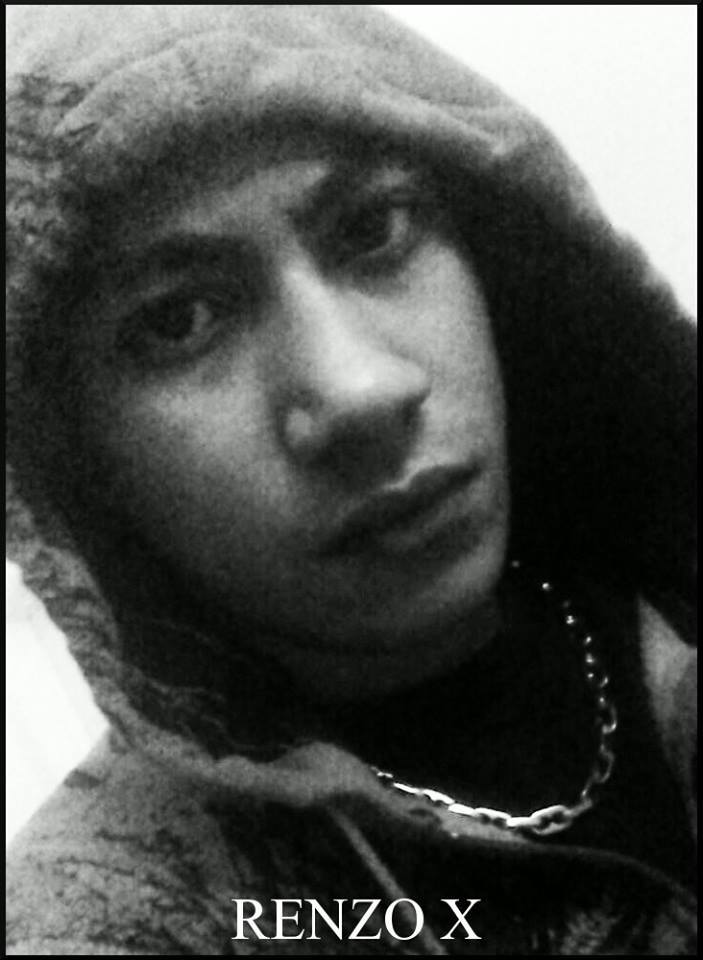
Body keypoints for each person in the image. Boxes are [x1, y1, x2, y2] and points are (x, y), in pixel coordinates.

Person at [6, 5, 696, 955]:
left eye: (373, 228)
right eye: (177, 320)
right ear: (75, 470)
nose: (359, 393)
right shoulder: (119, 915)